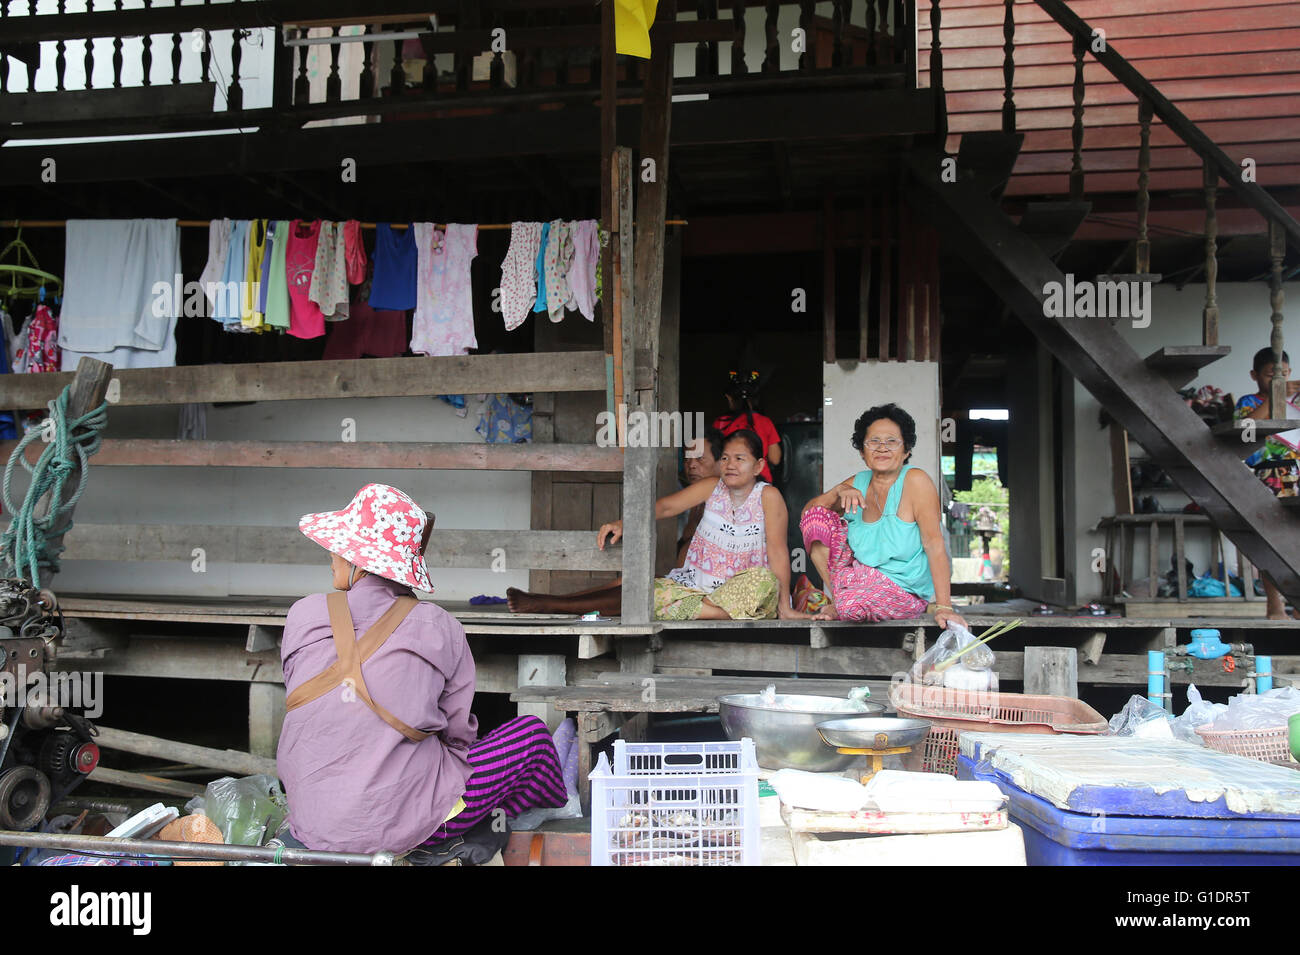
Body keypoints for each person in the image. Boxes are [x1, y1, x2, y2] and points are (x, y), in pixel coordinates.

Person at [275, 483, 568, 855]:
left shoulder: (302, 614)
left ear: (361, 561)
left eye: (340, 546)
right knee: (532, 736)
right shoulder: (438, 625)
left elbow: (311, 709)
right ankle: (512, 819)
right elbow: (458, 735)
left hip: (311, 821)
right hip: (404, 824)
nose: (332, 554)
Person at [505, 429, 725, 615]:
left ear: (720, 462)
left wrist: (624, 522)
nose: (692, 466)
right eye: (687, 460)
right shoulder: (699, 500)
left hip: (702, 596)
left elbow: (666, 507)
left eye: (700, 459)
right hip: (686, 585)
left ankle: (547, 604)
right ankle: (546, 600)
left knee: (635, 591)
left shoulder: (717, 486)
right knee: (623, 583)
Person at [605, 429, 817, 621]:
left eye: (739, 459)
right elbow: (666, 507)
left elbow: (777, 552)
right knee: (648, 592)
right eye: (725, 458)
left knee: (763, 580)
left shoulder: (768, 495)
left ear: (758, 466)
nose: (730, 465)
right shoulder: (712, 486)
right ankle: (723, 614)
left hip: (743, 592)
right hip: (699, 591)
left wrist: (785, 609)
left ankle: (695, 611)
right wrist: (625, 523)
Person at [800, 403, 967, 628]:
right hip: (859, 581)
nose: (882, 448)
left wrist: (944, 607)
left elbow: (934, 544)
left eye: (892, 441)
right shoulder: (857, 483)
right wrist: (836, 492)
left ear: (906, 450)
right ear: (862, 450)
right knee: (815, 520)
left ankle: (843, 602)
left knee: (851, 606)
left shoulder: (916, 481)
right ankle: (842, 599)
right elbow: (808, 515)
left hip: (903, 591)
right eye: (874, 442)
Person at [1235, 347, 1299, 619]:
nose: (1278, 380)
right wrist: (1276, 397)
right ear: (1255, 375)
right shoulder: (1248, 402)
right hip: (1266, 477)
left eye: (1283, 375)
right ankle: (1274, 605)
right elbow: (1245, 431)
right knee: (1269, 542)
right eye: (1271, 376)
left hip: (1296, 475)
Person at [713, 369, 782, 483]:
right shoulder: (765, 422)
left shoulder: (720, 423)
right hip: (760, 483)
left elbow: (713, 459)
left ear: (729, 398)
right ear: (756, 399)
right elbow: (775, 459)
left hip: (730, 481)